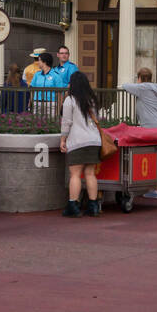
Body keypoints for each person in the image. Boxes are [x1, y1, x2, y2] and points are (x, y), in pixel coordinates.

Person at [121, 67, 157, 199]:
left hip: (151, 127)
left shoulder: (142, 88)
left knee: (151, 156)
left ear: (140, 78)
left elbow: (124, 86)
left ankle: (154, 189)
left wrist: (137, 83)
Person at [59, 72, 103, 217]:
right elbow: (99, 118)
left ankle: (73, 206)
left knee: (75, 175)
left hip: (78, 141)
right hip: (94, 141)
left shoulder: (70, 100)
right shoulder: (92, 99)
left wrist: (63, 140)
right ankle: (93, 206)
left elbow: (66, 122)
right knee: (90, 174)